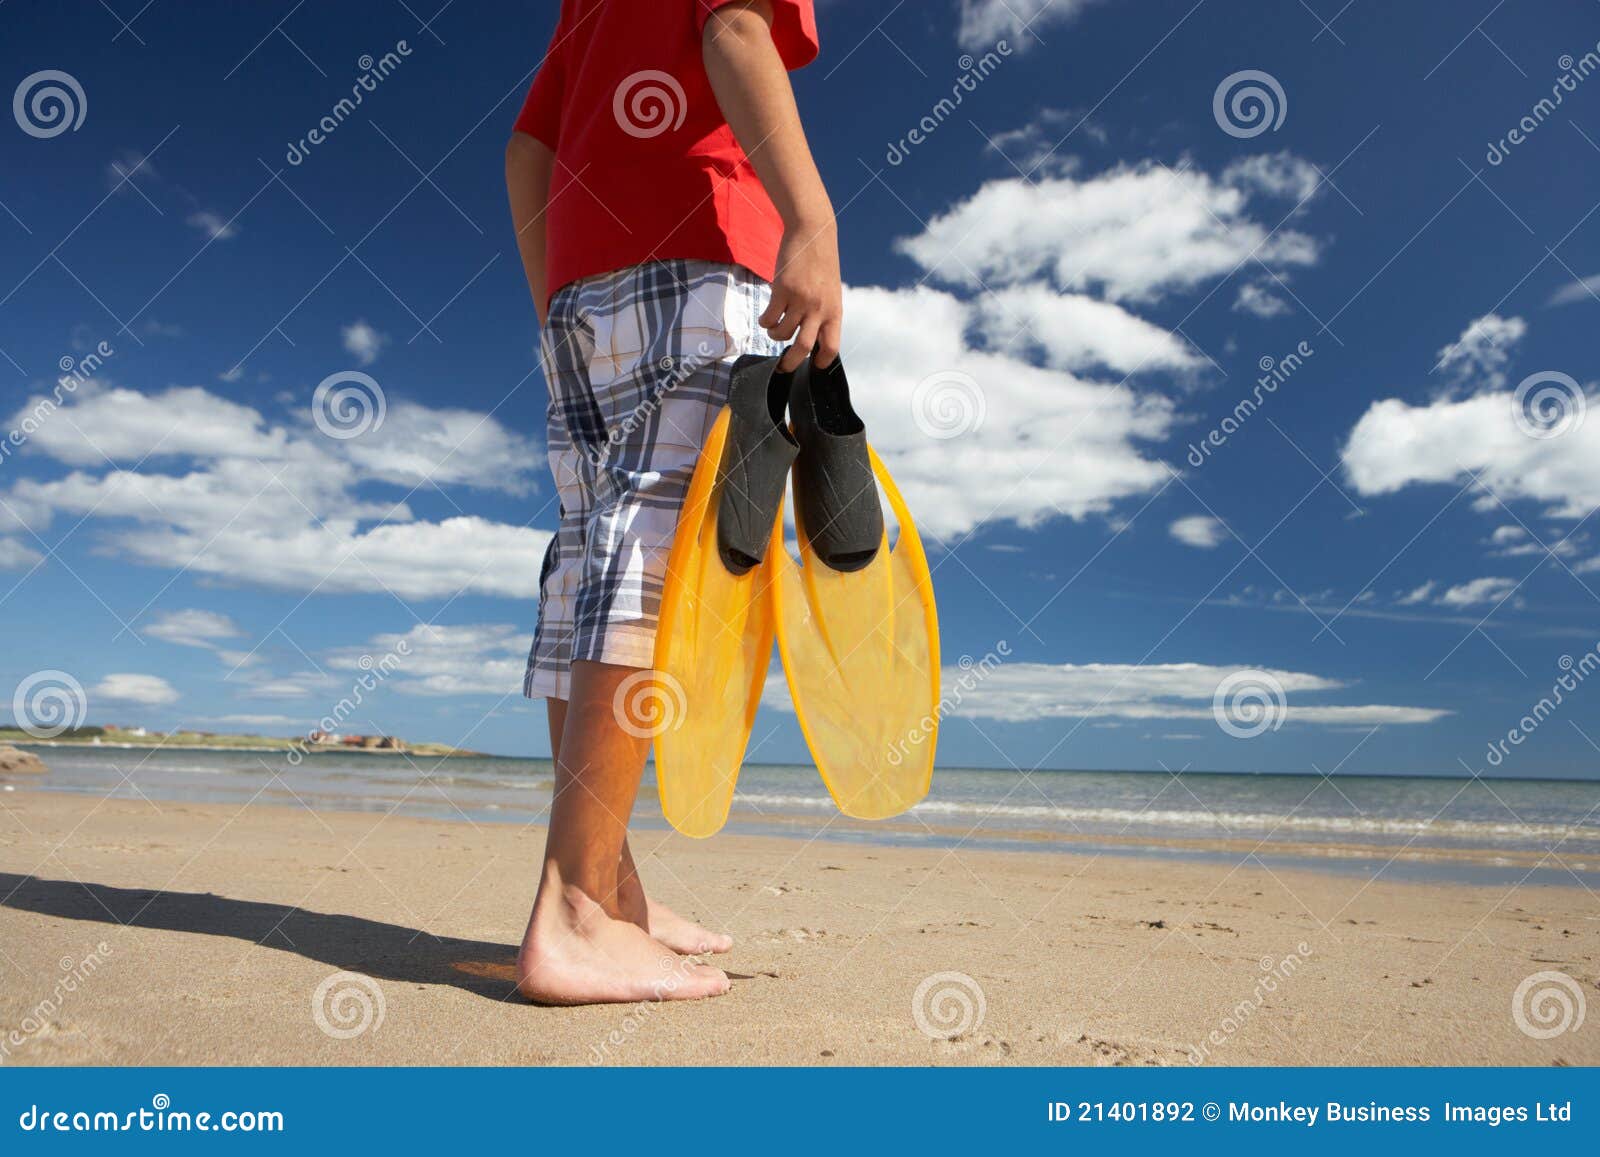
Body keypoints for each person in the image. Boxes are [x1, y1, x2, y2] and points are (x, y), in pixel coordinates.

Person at [504, 0, 841, 1005]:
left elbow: (528, 151)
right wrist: (813, 222)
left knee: (589, 558)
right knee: (647, 553)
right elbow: (734, 30)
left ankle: (605, 882)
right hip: (700, 250)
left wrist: (558, 297)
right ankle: (573, 915)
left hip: (579, 287)